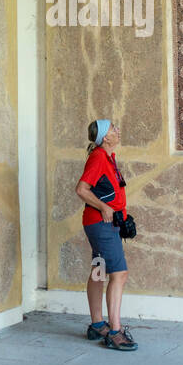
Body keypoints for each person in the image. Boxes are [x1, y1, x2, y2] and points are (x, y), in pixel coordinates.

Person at [75, 119, 137, 351]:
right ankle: (114, 332)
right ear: (104, 137)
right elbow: (81, 189)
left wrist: (120, 213)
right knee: (119, 274)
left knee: (99, 271)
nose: (117, 130)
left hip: (104, 223)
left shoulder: (108, 158)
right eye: (112, 128)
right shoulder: (99, 157)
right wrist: (104, 207)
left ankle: (97, 324)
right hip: (101, 224)